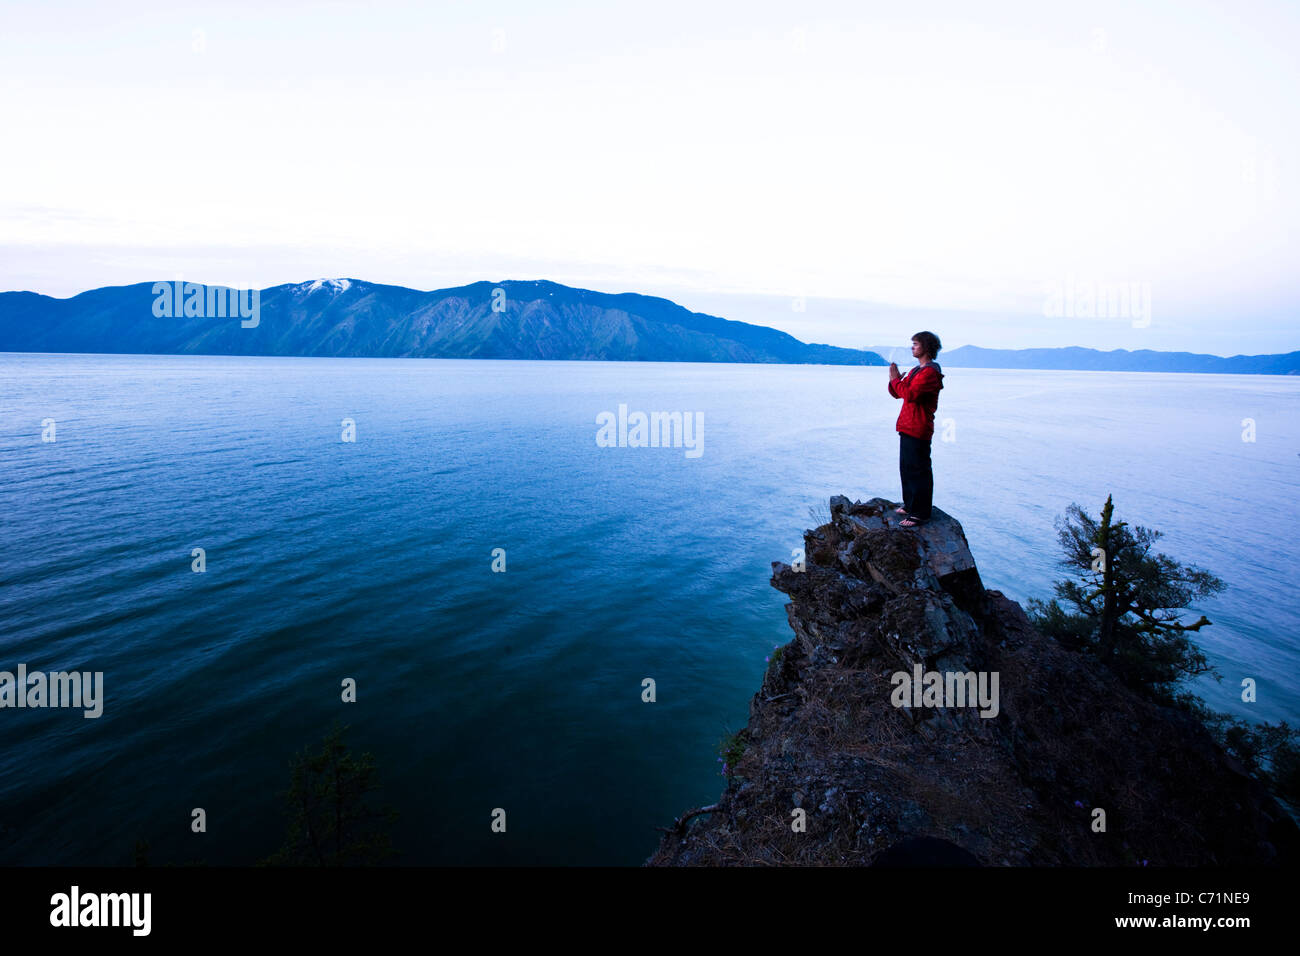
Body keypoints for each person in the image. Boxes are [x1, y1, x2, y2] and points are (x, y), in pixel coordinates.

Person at [887, 332, 944, 527]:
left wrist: (896, 381)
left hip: (919, 426)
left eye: (916, 344)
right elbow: (898, 393)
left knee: (919, 470)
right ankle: (911, 504)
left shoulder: (929, 373)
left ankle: (921, 512)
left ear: (926, 347)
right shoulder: (916, 371)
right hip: (908, 425)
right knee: (907, 467)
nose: (912, 347)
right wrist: (894, 380)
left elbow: (910, 394)